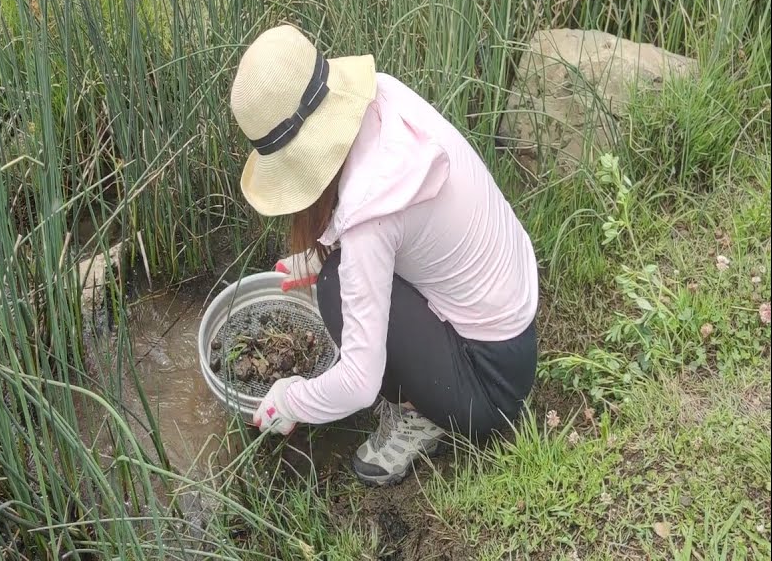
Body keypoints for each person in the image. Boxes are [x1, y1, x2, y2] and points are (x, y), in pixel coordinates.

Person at [227, 25, 539, 487]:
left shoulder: (366, 219)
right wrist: (320, 259)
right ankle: (426, 392)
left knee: (336, 288)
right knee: (334, 272)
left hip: (490, 387)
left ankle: (419, 419)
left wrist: (288, 401)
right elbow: (395, 221)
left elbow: (359, 382)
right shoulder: (380, 96)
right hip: (512, 319)